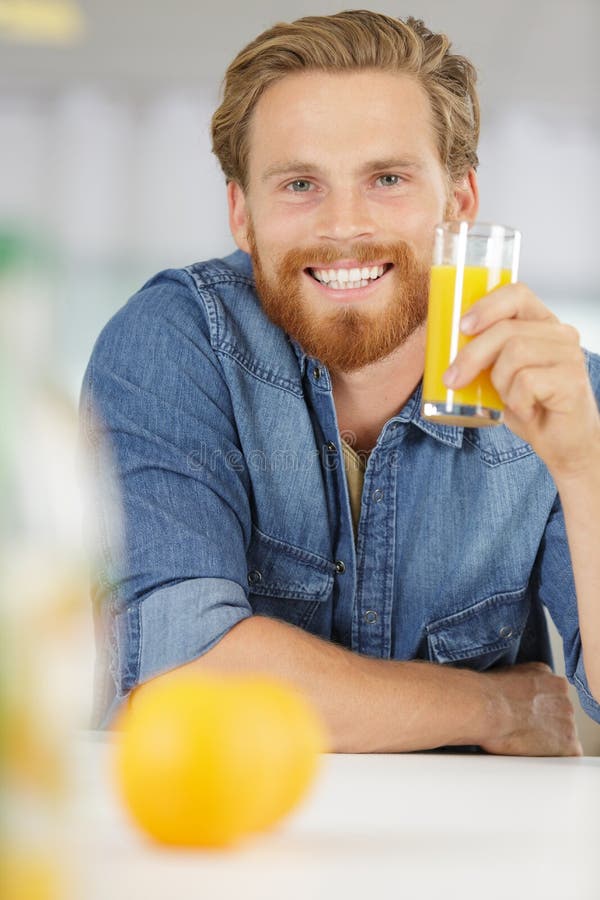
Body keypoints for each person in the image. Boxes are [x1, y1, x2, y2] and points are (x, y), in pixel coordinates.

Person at [81, 10, 600, 753]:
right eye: (300, 184)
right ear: (242, 213)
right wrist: (497, 707)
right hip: (225, 848)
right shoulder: (171, 344)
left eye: (387, 178)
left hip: (476, 858)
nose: (345, 225)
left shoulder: (564, 395)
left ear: (459, 203)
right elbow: (185, 678)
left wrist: (585, 467)